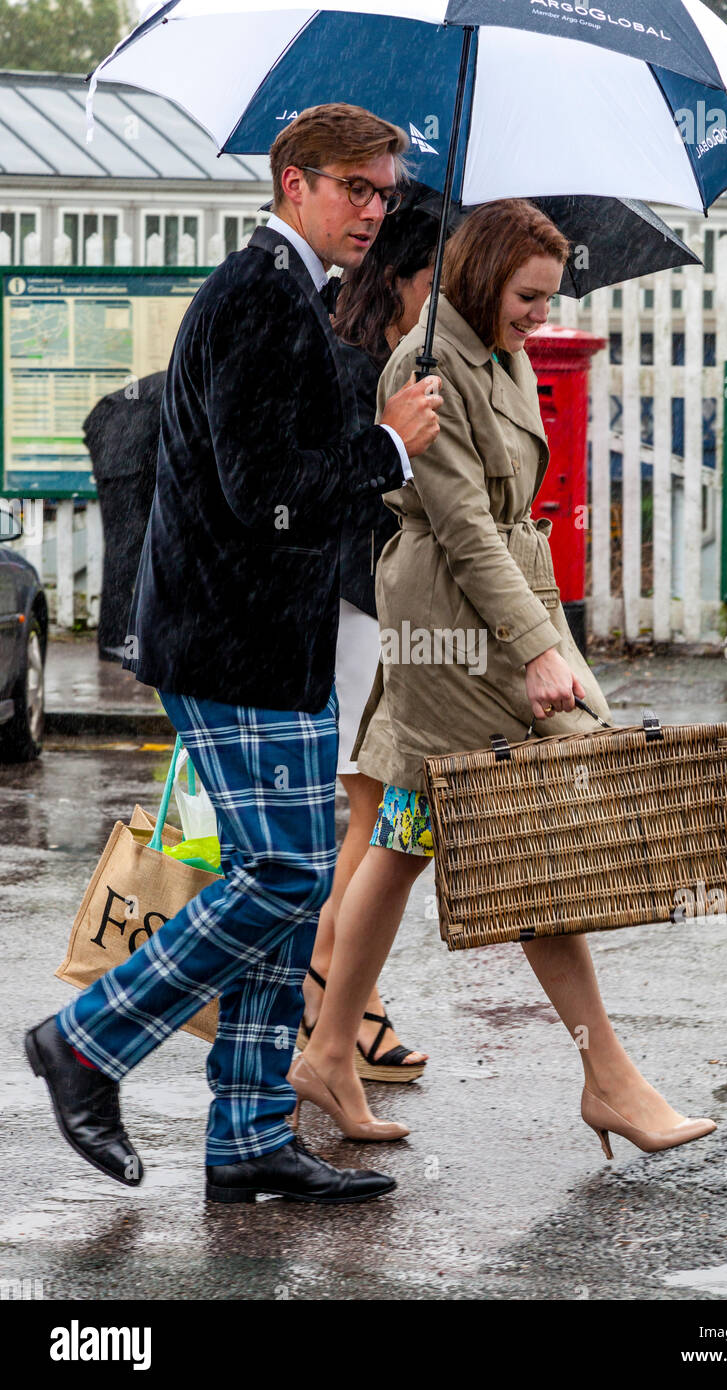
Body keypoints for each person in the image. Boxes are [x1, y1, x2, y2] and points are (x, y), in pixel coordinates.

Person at [24, 104, 443, 1205]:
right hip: (231, 637)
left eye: (384, 190)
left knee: (294, 892)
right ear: (292, 182)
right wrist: (389, 443)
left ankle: (250, 1132)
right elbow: (271, 497)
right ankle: (87, 1039)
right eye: (354, 186)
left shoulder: (297, 296)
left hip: (279, 641)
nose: (373, 207)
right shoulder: (256, 295)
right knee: (285, 873)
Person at [291, 200, 717, 1160]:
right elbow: (467, 529)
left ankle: (326, 1051)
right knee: (523, 836)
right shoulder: (430, 367)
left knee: (405, 834)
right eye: (529, 296)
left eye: (549, 299)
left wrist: (538, 633)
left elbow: (506, 521)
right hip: (457, 620)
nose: (541, 315)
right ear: (484, 276)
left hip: (483, 607)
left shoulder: (495, 349)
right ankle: (607, 1075)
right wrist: (538, 646)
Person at [296, 200, 442, 1083]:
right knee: (375, 806)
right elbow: (354, 487)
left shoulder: (400, 359)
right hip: (362, 602)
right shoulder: (359, 366)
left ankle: (342, 991)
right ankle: (334, 989)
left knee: (376, 810)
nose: (441, 299)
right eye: (433, 282)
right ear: (396, 277)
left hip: (382, 603)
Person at [83, 372, 164, 661]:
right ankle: (113, 640)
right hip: (120, 445)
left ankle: (129, 636)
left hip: (128, 440)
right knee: (124, 549)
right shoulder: (205, 384)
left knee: (140, 545)